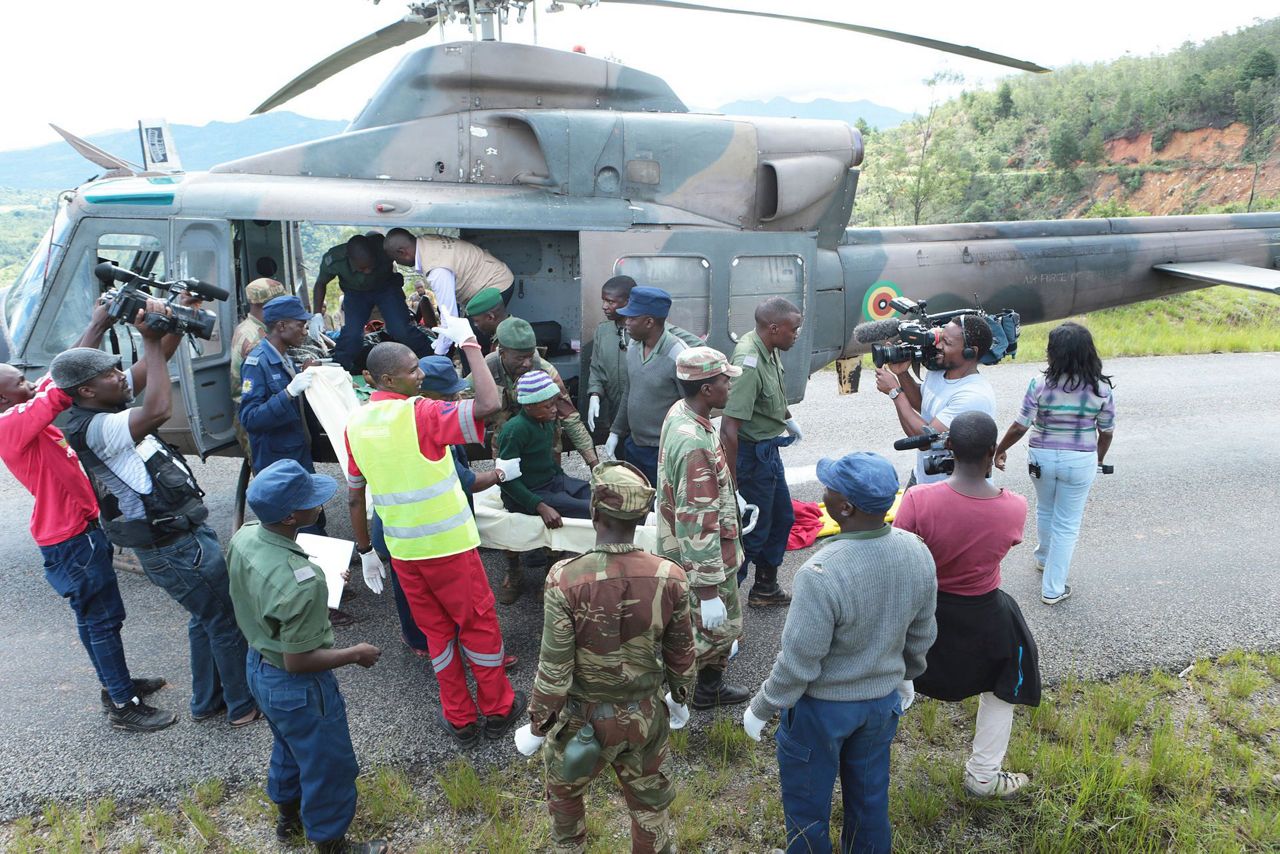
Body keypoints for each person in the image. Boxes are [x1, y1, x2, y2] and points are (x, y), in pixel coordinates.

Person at [53, 306, 260, 729]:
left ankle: (208, 701)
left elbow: (152, 366)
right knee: (226, 621)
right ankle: (241, 707)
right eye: (110, 375)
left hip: (179, 535)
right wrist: (147, 338)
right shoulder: (95, 427)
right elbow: (159, 409)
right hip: (172, 546)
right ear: (87, 391)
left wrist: (176, 324)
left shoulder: (100, 399)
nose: (121, 377)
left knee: (207, 618)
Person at [744, 451, 936, 854]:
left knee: (807, 806)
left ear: (844, 508)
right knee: (869, 799)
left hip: (821, 711)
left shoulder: (821, 573)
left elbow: (798, 663)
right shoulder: (917, 552)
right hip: (880, 704)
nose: (823, 491)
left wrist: (762, 706)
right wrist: (906, 676)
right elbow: (921, 632)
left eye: (830, 488)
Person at [345, 330, 525, 748]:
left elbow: (356, 496)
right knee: (478, 628)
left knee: (438, 636)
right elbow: (489, 404)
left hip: (405, 554)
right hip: (450, 550)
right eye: (412, 370)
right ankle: (498, 710)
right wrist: (472, 346)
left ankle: (460, 719)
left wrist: (367, 551)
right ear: (387, 381)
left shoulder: (355, 423)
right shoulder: (420, 414)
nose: (421, 374)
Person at [0, 301, 174, 732]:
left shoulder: (23, 413)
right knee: (102, 618)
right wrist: (100, 324)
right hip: (72, 540)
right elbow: (65, 383)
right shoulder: (10, 424)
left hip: (76, 534)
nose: (32, 383)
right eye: (21, 381)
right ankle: (122, 703)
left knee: (97, 618)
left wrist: (98, 324)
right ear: (4, 398)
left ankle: (115, 684)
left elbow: (59, 378)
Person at [513, 461, 697, 854]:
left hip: (582, 719)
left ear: (595, 511)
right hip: (646, 715)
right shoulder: (671, 576)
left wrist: (537, 726)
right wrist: (679, 699)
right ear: (639, 516)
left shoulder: (565, 578)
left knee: (565, 799)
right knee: (650, 808)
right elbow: (682, 655)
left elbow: (554, 668)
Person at [227, 460, 387, 854]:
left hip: (259, 668)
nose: (318, 505)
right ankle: (331, 842)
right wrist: (354, 654)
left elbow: (273, 594)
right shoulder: (304, 584)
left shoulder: (245, 537)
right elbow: (299, 660)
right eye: (309, 501)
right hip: (296, 684)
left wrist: (318, 583)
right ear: (289, 515)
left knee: (288, 746)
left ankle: (288, 819)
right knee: (329, 763)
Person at [893, 411, 1041, 799]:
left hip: (924, 613)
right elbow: (1005, 544)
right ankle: (983, 775)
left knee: (888, 673)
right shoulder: (1015, 507)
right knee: (1009, 673)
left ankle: (872, 757)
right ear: (993, 452)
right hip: (984, 614)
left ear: (950, 447)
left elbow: (900, 555)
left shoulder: (917, 499)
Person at [386, 356, 520, 653]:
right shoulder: (424, 425)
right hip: (431, 535)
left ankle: (426, 642)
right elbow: (466, 480)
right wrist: (500, 473)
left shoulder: (415, 417)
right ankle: (444, 646)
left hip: (406, 530)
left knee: (417, 595)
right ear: (424, 395)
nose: (457, 399)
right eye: (448, 395)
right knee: (457, 602)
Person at [656, 346, 751, 710]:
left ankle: (701, 690)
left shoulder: (682, 413)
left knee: (695, 630)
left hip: (686, 550)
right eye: (725, 380)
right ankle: (684, 697)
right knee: (711, 632)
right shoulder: (694, 441)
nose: (730, 386)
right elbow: (697, 521)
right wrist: (709, 590)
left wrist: (729, 493)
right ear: (707, 389)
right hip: (704, 560)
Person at [994, 321, 1116, 605]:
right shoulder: (1101, 389)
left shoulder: (1040, 384)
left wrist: (999, 450)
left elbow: (1020, 425)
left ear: (1055, 353)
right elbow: (1106, 431)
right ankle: (1053, 588)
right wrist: (1097, 459)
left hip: (1042, 457)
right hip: (1080, 459)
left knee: (1046, 509)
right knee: (1067, 524)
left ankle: (1043, 557)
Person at [721, 296, 805, 607]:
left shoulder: (768, 348)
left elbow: (771, 396)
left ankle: (765, 588)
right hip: (751, 457)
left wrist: (788, 419)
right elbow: (728, 428)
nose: (796, 335)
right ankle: (722, 606)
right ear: (773, 328)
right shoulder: (749, 360)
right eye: (793, 330)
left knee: (783, 518)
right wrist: (733, 487)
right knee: (752, 532)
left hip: (767, 452)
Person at [874, 314, 996, 487]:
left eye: (947, 343)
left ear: (971, 352)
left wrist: (895, 392)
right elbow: (923, 403)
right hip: (922, 478)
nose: (938, 345)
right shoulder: (940, 371)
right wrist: (902, 373)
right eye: (941, 338)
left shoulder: (973, 395)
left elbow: (925, 439)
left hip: (952, 489)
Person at [586, 276, 702, 446]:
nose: (605, 306)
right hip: (620, 415)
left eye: (611, 302)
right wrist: (594, 395)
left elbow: (698, 349)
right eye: (603, 300)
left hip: (657, 434)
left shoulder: (659, 334)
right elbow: (597, 367)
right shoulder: (604, 332)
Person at [483, 316, 598, 468]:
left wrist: (594, 463)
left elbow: (570, 417)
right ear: (502, 353)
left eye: (530, 356)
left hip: (544, 446)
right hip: (507, 446)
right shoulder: (486, 369)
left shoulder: (545, 371)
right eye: (520, 358)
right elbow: (464, 406)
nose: (527, 364)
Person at [310, 232, 433, 372]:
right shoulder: (334, 260)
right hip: (355, 293)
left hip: (386, 288)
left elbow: (409, 257)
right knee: (352, 333)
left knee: (399, 328)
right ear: (350, 259)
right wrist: (317, 314)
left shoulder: (385, 249)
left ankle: (430, 359)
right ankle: (340, 368)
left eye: (371, 266)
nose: (368, 272)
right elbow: (320, 283)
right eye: (362, 268)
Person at [605, 286, 690, 487]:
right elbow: (629, 391)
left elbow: (691, 409)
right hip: (634, 446)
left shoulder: (678, 356)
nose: (626, 322)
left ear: (649, 322)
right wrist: (616, 431)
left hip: (662, 451)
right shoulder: (634, 347)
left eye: (632, 318)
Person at [383, 229, 514, 355]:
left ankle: (480, 375)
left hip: (494, 284)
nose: (397, 263)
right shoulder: (425, 242)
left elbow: (450, 318)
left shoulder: (437, 269)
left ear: (402, 252)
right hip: (492, 277)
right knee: (474, 341)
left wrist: (438, 354)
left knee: (467, 345)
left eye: (395, 259)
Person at [497, 370, 592, 525]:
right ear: (528, 406)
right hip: (527, 494)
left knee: (600, 495)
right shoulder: (514, 431)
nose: (554, 409)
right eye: (548, 406)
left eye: (555, 403)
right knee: (591, 509)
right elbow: (505, 479)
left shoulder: (546, 421)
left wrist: (565, 481)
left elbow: (546, 459)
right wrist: (539, 506)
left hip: (551, 482)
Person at [230, 277, 287, 452]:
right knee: (269, 475)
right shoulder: (254, 337)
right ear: (265, 305)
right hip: (256, 416)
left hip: (260, 412)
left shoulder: (252, 327)